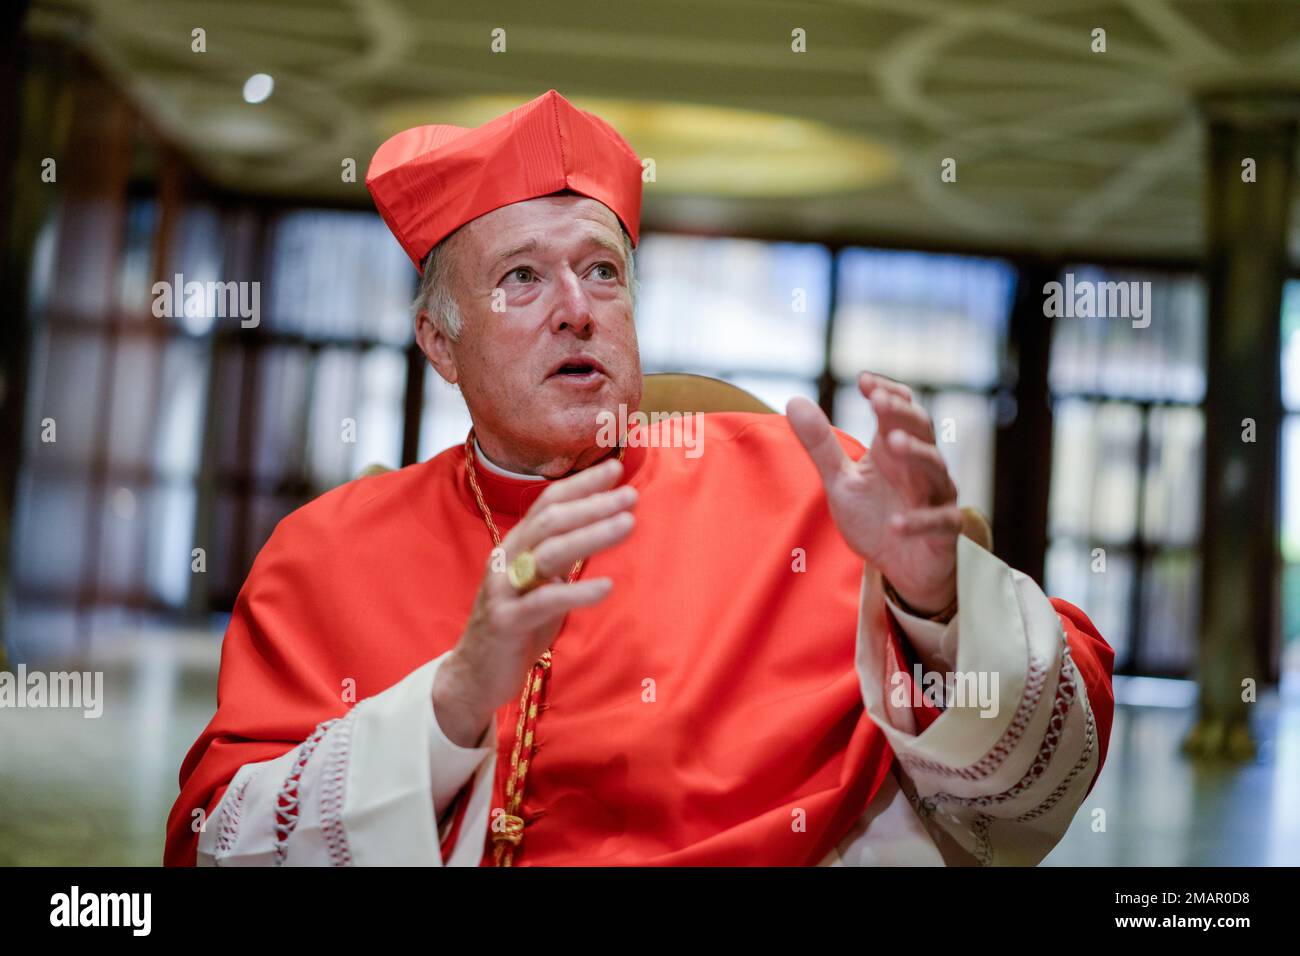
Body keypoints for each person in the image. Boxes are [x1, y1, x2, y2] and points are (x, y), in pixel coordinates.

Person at [164, 89, 1114, 867]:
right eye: (523, 279)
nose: (576, 309)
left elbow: (1040, 773)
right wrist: (452, 703)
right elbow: (215, 842)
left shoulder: (807, 493)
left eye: (603, 271)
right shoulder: (327, 550)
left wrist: (940, 604)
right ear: (438, 344)